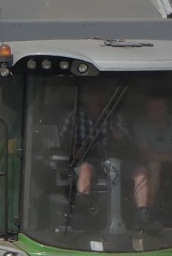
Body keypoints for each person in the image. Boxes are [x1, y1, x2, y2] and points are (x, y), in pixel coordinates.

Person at [59, 85, 148, 223]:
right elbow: (60, 141)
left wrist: (120, 136)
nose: (101, 105)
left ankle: (142, 214)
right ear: (88, 100)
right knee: (85, 169)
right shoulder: (73, 116)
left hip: (114, 161)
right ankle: (83, 207)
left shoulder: (114, 117)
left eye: (104, 101)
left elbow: (129, 138)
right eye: (97, 101)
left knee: (141, 171)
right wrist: (72, 151)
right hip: (87, 161)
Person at [132, 93, 172, 224]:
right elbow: (145, 152)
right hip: (148, 162)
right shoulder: (140, 125)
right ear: (147, 109)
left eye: (158, 108)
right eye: (152, 108)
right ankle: (150, 211)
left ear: (166, 108)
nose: (155, 112)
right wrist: (168, 157)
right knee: (154, 165)